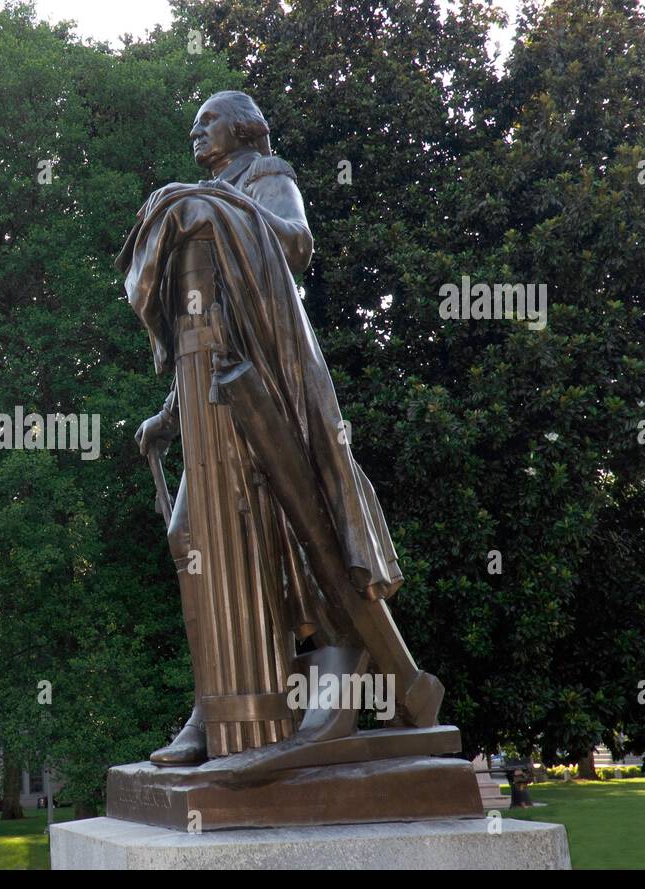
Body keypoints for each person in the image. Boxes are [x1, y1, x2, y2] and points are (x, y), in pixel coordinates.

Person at [118, 91, 443, 766]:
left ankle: (338, 695)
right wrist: (168, 418)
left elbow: (295, 243)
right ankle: (215, 706)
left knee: (305, 532)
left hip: (276, 387)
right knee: (189, 535)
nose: (194, 130)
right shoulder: (204, 198)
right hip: (216, 398)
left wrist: (218, 208)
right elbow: (200, 330)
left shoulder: (265, 176)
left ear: (241, 127)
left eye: (207, 121)